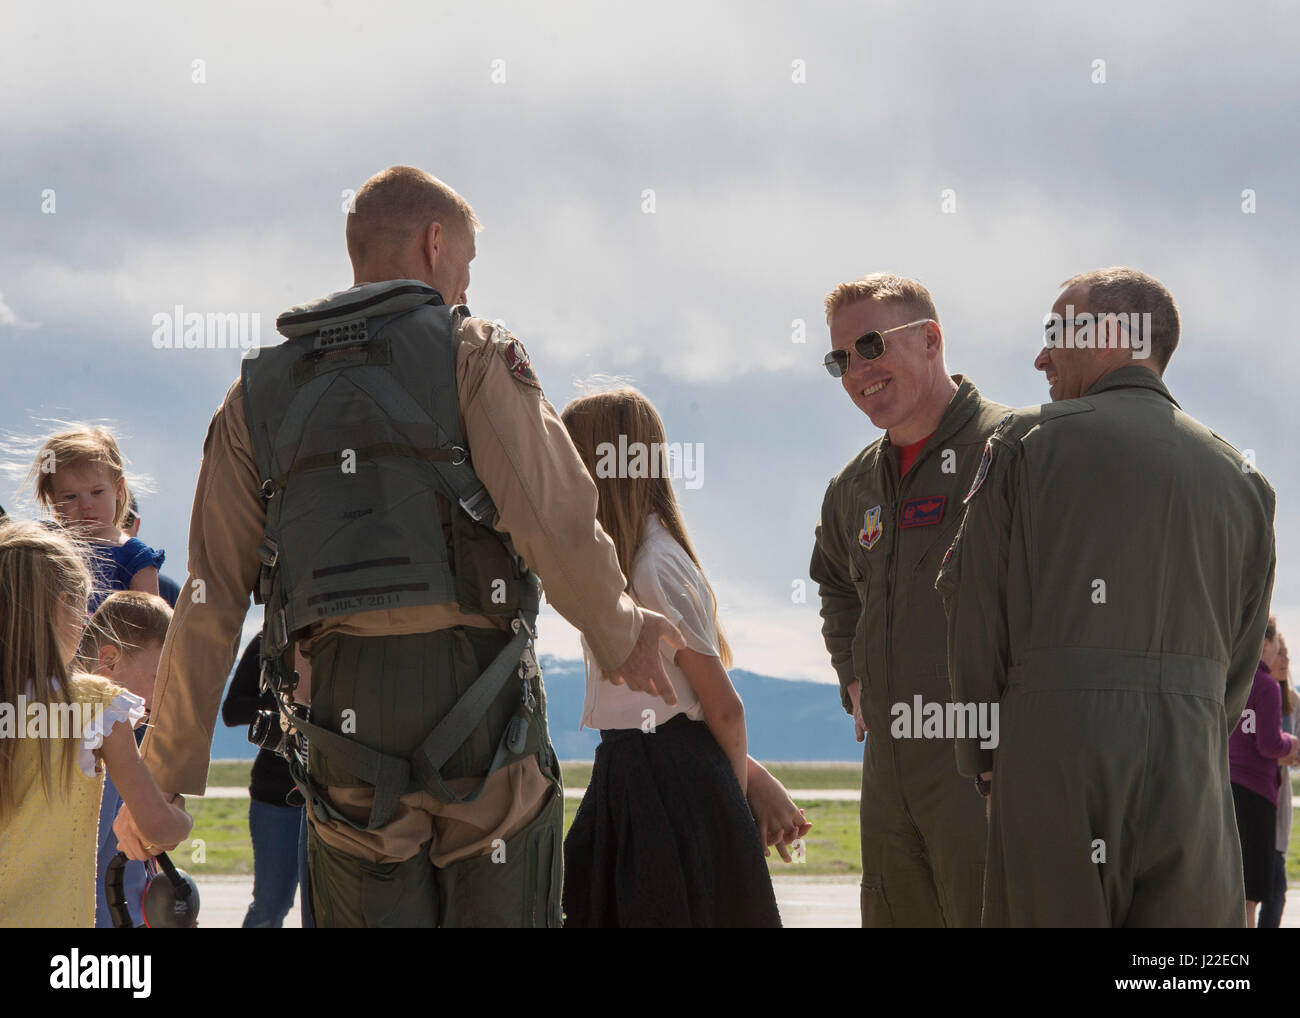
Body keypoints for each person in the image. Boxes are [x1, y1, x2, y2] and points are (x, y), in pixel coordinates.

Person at [116, 166, 685, 928]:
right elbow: (556, 519)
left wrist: (167, 774)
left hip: (340, 715)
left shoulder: (255, 394)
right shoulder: (474, 353)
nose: (466, 285)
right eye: (468, 262)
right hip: (483, 709)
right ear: (436, 242)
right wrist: (620, 630)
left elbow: (211, 596)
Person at [937, 266, 1277, 927]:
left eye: (1055, 333)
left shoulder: (1023, 442)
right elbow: (1241, 660)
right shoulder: (1244, 482)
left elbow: (975, 614)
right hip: (1193, 774)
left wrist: (984, 763)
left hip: (1054, 758)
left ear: (1115, 334)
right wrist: (1193, 725)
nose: (1041, 356)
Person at [560, 388, 806, 926]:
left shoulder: (653, 564)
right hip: (633, 772)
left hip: (664, 790)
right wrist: (754, 777)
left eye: (570, 454)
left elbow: (724, 708)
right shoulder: (621, 564)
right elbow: (686, 711)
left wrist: (733, 807)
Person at [808, 273, 1010, 927]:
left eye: (870, 345)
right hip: (890, 774)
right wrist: (853, 673)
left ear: (930, 340)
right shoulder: (855, 486)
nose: (856, 371)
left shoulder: (1014, 453)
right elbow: (835, 582)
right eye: (841, 359)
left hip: (986, 768)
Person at [0, 520, 190, 927]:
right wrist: (182, 818)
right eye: (82, 605)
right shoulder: (96, 707)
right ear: (60, 607)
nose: (88, 618)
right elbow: (157, 827)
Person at [79, 590, 173, 927]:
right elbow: (85, 862)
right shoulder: (93, 751)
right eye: (158, 678)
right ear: (109, 661)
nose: (165, 694)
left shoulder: (123, 745)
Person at [221, 631, 304, 928]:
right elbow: (231, 711)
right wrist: (285, 713)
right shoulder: (269, 641)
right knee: (271, 905)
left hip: (338, 796)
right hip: (276, 794)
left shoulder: (351, 633)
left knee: (330, 907)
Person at [30, 427, 162, 613]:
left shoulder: (134, 556)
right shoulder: (43, 545)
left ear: (118, 489)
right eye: (70, 496)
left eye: (97, 492)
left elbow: (150, 625)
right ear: (53, 499)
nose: (86, 505)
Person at [1230, 617, 1297, 927]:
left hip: (1225, 789)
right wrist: (1292, 743)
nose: (1278, 653)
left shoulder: (1232, 679)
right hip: (1256, 796)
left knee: (1230, 886)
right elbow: (1268, 745)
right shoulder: (1267, 686)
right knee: (1250, 895)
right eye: (1276, 646)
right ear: (1263, 643)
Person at [1259, 632, 1293, 929]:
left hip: (1278, 799)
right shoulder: (1259, 692)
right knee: (1268, 886)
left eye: (1286, 655)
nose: (1285, 660)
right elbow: (1270, 747)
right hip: (1258, 792)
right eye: (1279, 653)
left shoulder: (1291, 702)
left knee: (1276, 890)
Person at [123, 495, 181, 607]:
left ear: (137, 525)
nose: (115, 528)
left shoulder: (168, 592)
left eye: (125, 519)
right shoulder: (81, 584)